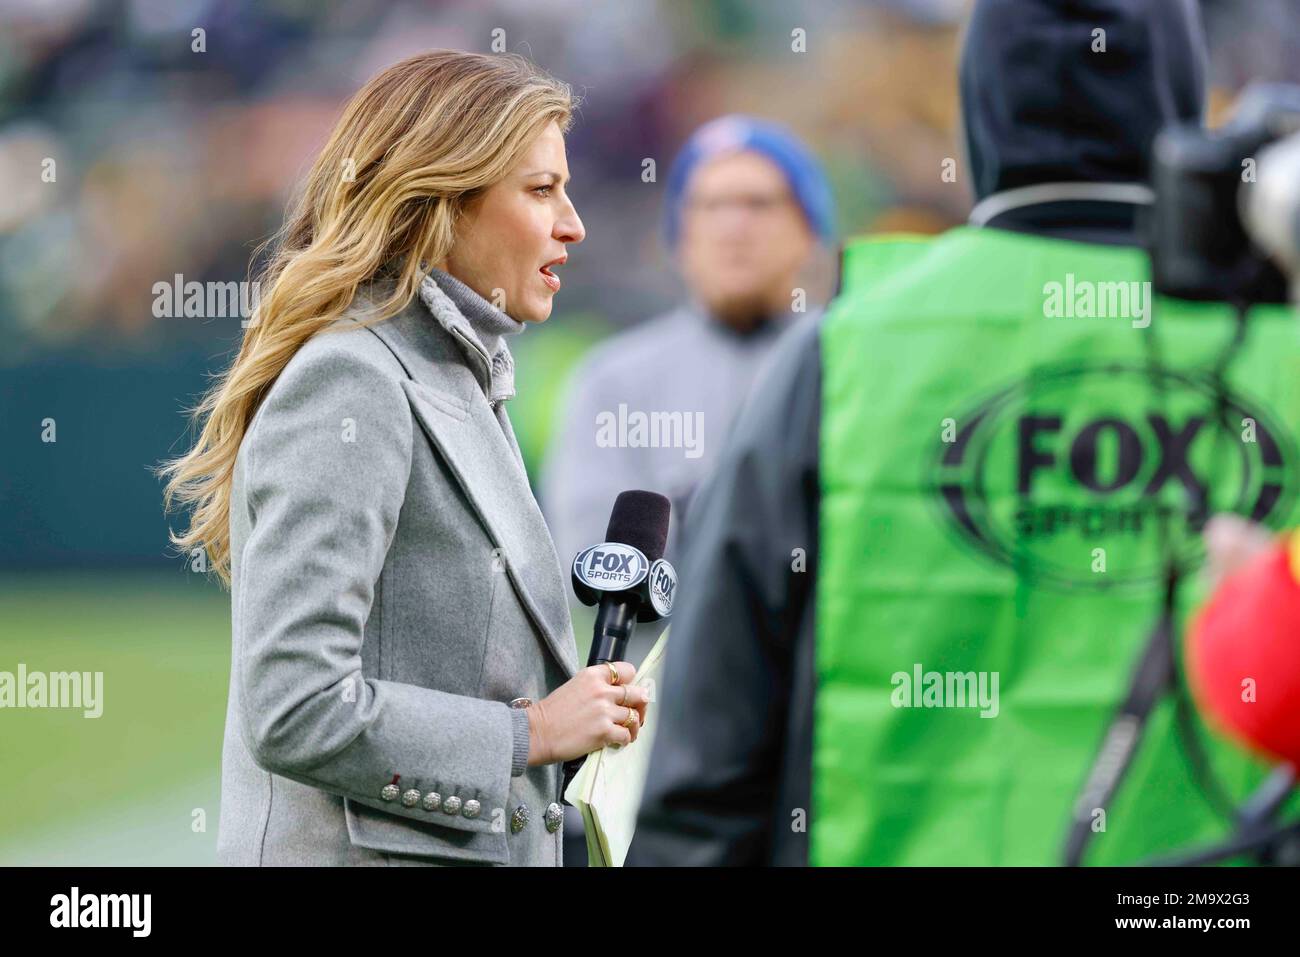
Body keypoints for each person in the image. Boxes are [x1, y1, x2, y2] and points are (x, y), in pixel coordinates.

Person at [631, 0, 1300, 866]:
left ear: (980, 105)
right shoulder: (1280, 343)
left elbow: (708, 762)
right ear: (1179, 102)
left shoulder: (842, 354)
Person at [159, 50, 650, 867]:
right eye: (540, 190)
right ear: (442, 202)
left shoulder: (459, 371)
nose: (573, 223)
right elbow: (294, 705)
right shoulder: (353, 380)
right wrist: (532, 731)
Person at [540, 115, 835, 586]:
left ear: (810, 229)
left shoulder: (848, 365)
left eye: (758, 204)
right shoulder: (614, 380)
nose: (733, 227)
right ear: (679, 237)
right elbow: (589, 562)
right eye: (709, 205)